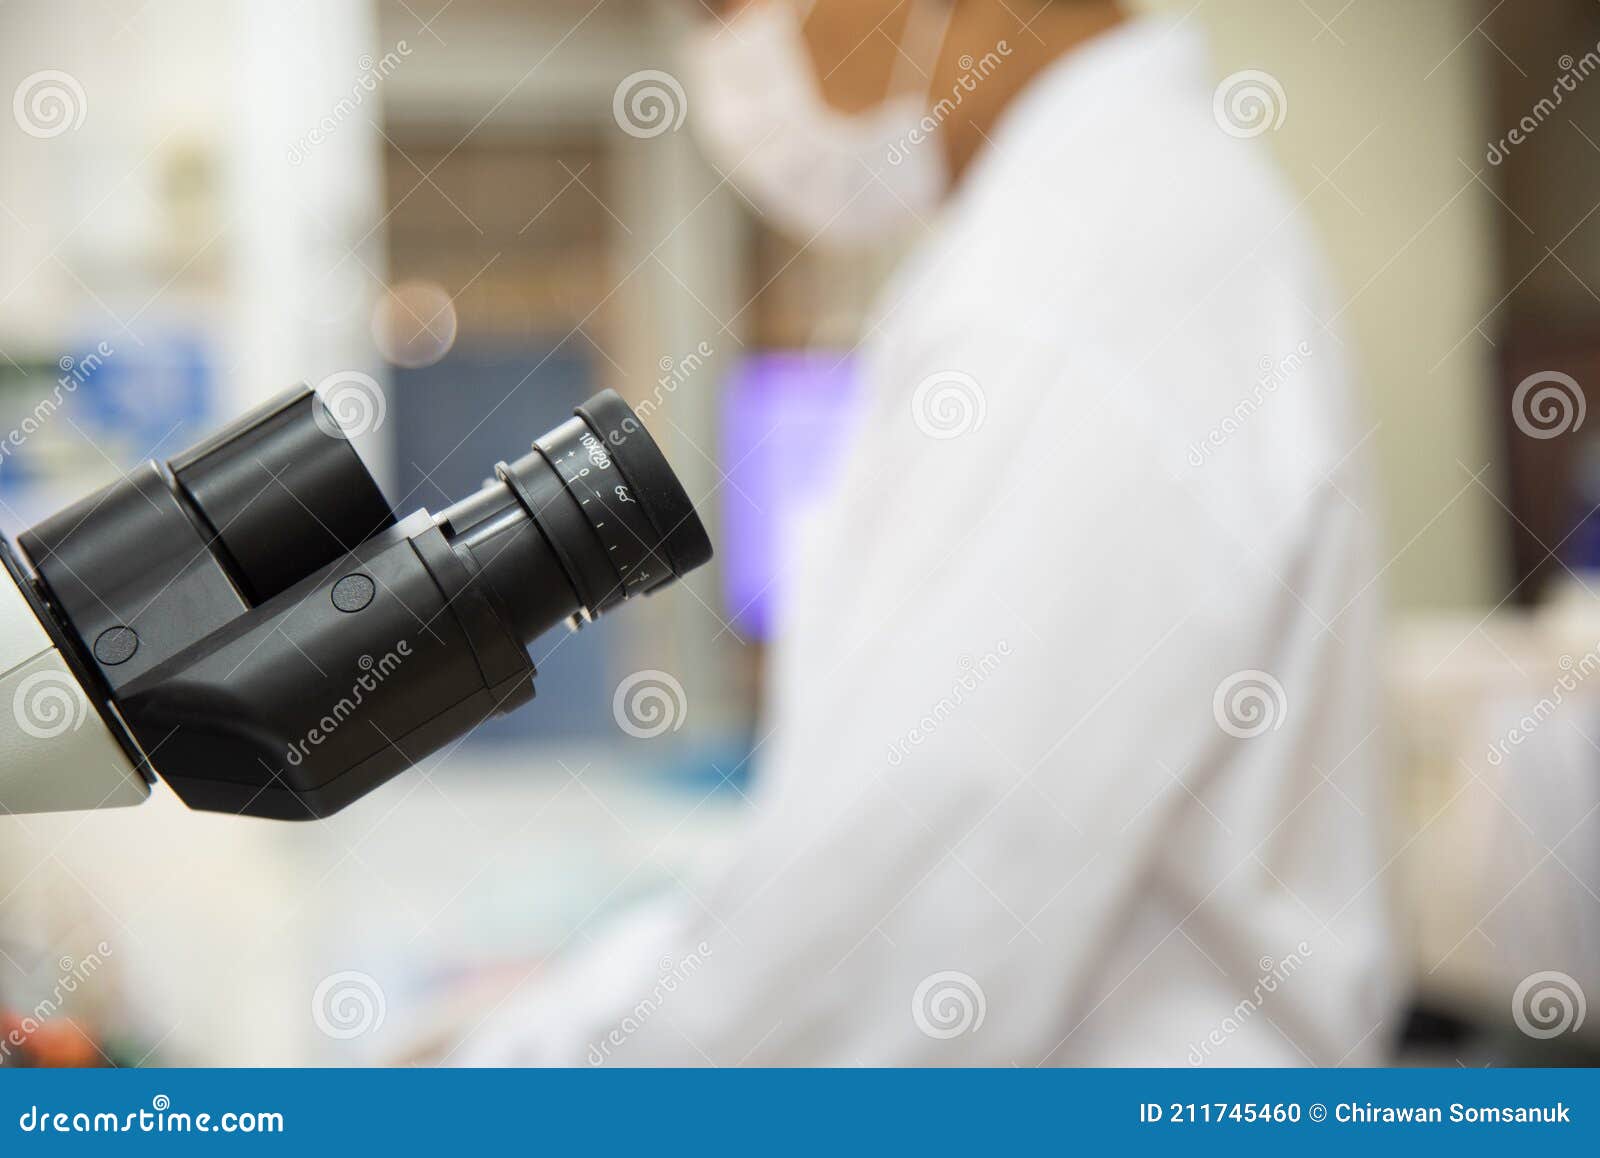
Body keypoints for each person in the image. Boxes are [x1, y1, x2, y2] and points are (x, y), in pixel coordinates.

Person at [461, 0, 1402, 1065]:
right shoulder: (1112, 221)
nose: (720, 56)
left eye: (725, 8)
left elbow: (886, 929)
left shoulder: (1075, 275)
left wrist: (499, 1080)